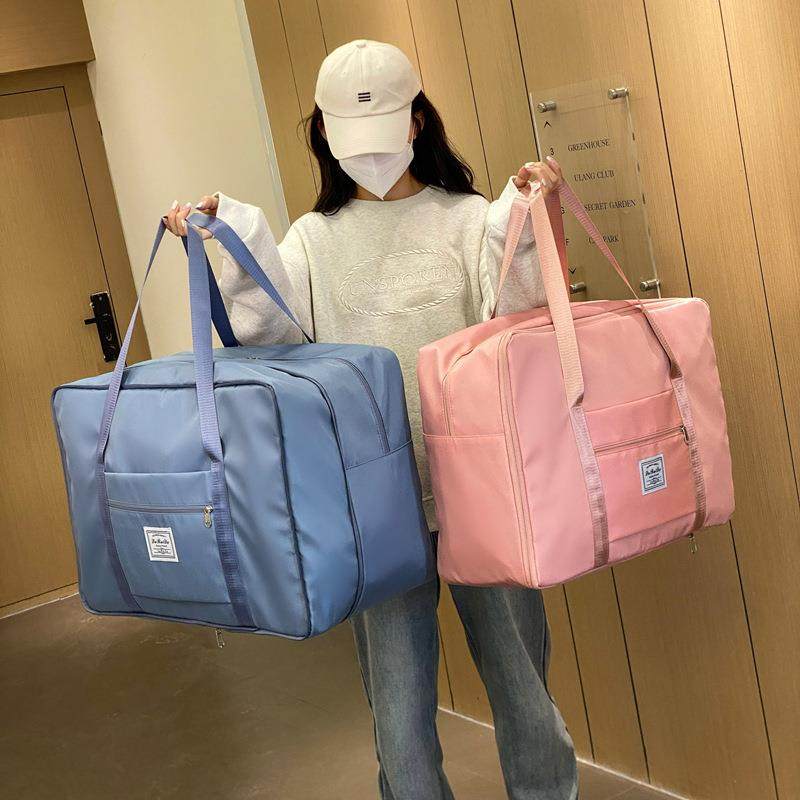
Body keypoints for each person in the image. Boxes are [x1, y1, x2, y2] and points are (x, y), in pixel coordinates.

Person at [165, 38, 578, 800]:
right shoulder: (312, 242)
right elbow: (275, 341)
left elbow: (514, 323)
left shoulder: (468, 220)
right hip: (373, 505)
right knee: (399, 716)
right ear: (324, 133)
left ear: (418, 122)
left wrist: (526, 214)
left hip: (480, 492)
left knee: (523, 688)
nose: (372, 156)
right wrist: (227, 243)